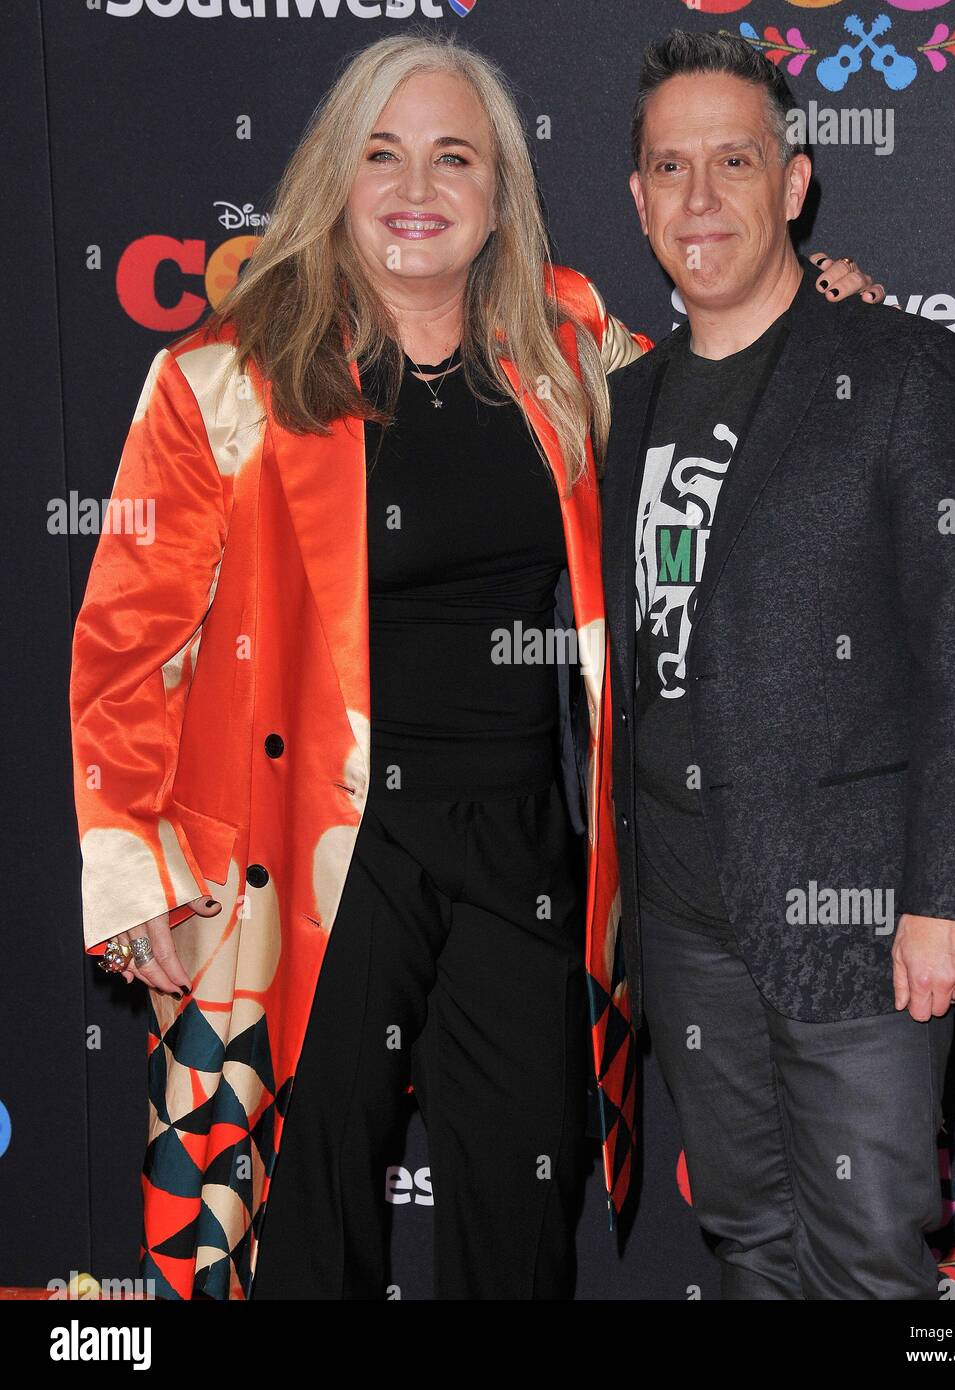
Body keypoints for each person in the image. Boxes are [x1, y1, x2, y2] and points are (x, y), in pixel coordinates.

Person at [68, 31, 881, 1301]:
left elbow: (720, 382)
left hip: (521, 857)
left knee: (520, 1227)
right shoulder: (223, 377)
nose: (416, 188)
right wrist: (139, 870)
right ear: (335, 176)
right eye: (381, 155)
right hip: (312, 856)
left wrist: (820, 311)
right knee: (305, 1223)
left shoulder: (563, 343)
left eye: (454, 158)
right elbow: (126, 642)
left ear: (501, 190)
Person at [602, 29, 955, 1300]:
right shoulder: (622, 403)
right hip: (682, 919)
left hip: (861, 918)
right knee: (747, 1244)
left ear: (792, 182)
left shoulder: (906, 372)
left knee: (866, 1262)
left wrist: (949, 893)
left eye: (731, 160)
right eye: (667, 168)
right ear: (634, 201)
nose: (698, 199)